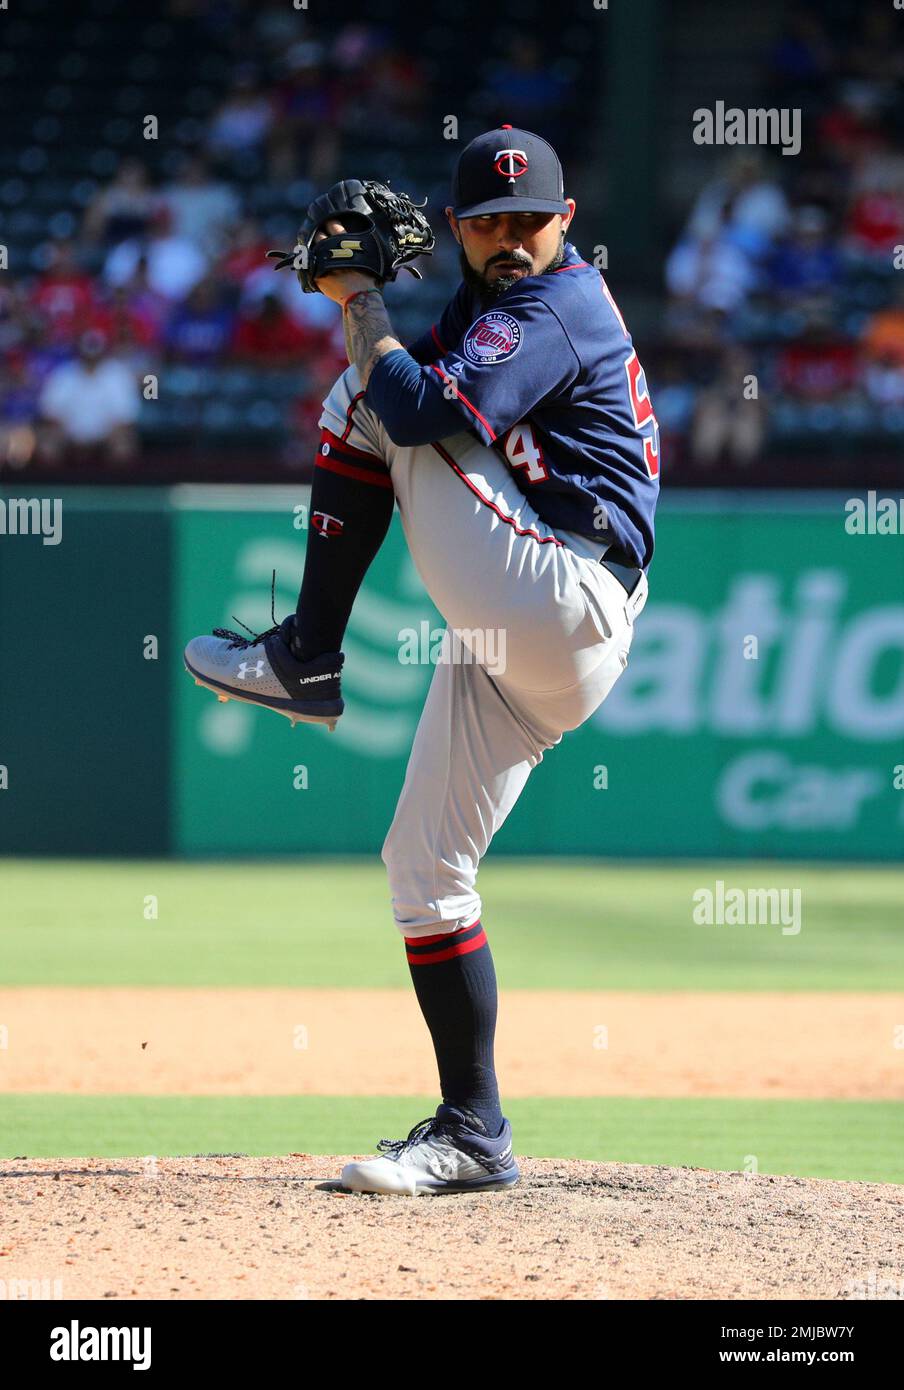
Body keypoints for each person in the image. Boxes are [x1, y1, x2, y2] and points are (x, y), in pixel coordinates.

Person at [184, 127, 660, 1194]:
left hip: (561, 592)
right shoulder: (485, 309)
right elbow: (432, 390)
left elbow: (417, 408)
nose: (509, 239)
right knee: (424, 871)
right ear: (454, 229)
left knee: (369, 396)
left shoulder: (555, 305)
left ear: (565, 223)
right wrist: (371, 309)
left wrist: (358, 300)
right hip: (528, 632)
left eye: (529, 219)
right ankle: (474, 1129)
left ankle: (307, 654)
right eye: (488, 222)